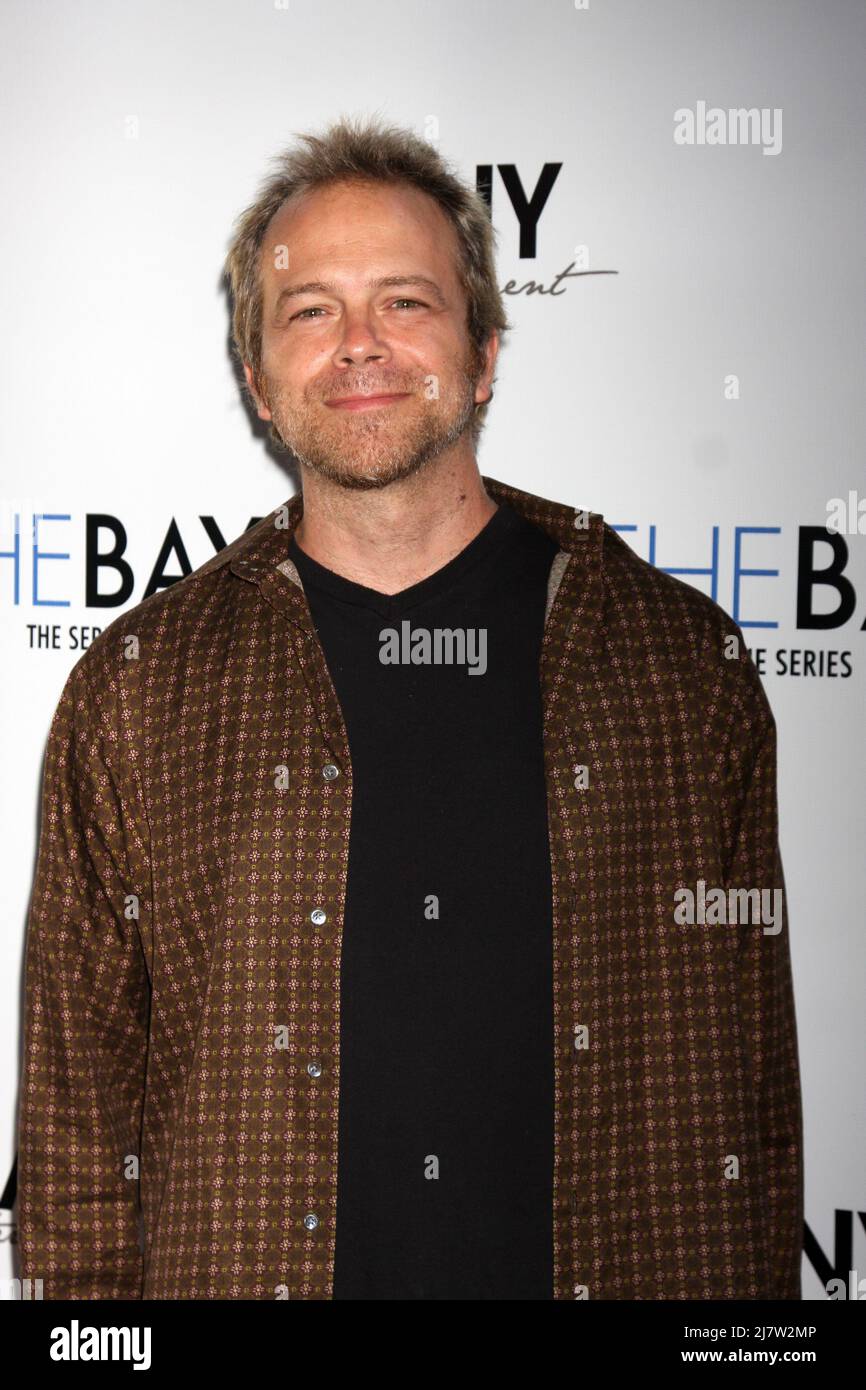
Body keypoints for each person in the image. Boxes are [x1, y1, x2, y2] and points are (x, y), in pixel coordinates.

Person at [17, 114, 803, 1300]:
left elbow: (751, 1096)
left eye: (405, 302)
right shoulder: (135, 690)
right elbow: (77, 1129)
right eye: (310, 309)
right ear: (258, 382)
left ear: (484, 353)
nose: (359, 346)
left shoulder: (681, 669)